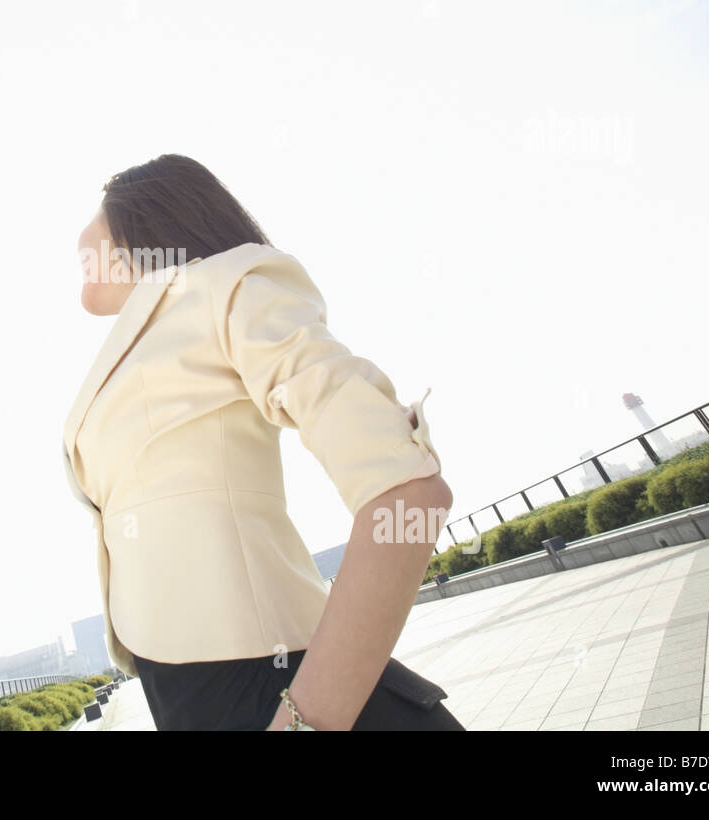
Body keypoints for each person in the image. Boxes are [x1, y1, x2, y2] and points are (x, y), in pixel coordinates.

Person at [63, 153, 464, 731]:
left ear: (137, 218)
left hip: (274, 694)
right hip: (190, 702)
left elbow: (410, 497)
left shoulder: (227, 285)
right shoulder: (143, 340)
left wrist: (303, 723)